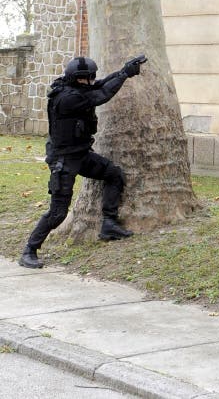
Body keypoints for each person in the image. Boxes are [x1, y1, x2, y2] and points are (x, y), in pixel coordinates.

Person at [19, 55, 145, 269]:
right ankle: (29, 250)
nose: (91, 81)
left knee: (113, 174)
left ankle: (109, 224)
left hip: (81, 155)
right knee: (58, 212)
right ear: (78, 79)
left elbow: (101, 84)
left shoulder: (74, 87)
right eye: (87, 78)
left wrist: (124, 69)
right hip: (64, 160)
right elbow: (102, 94)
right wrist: (124, 75)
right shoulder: (67, 98)